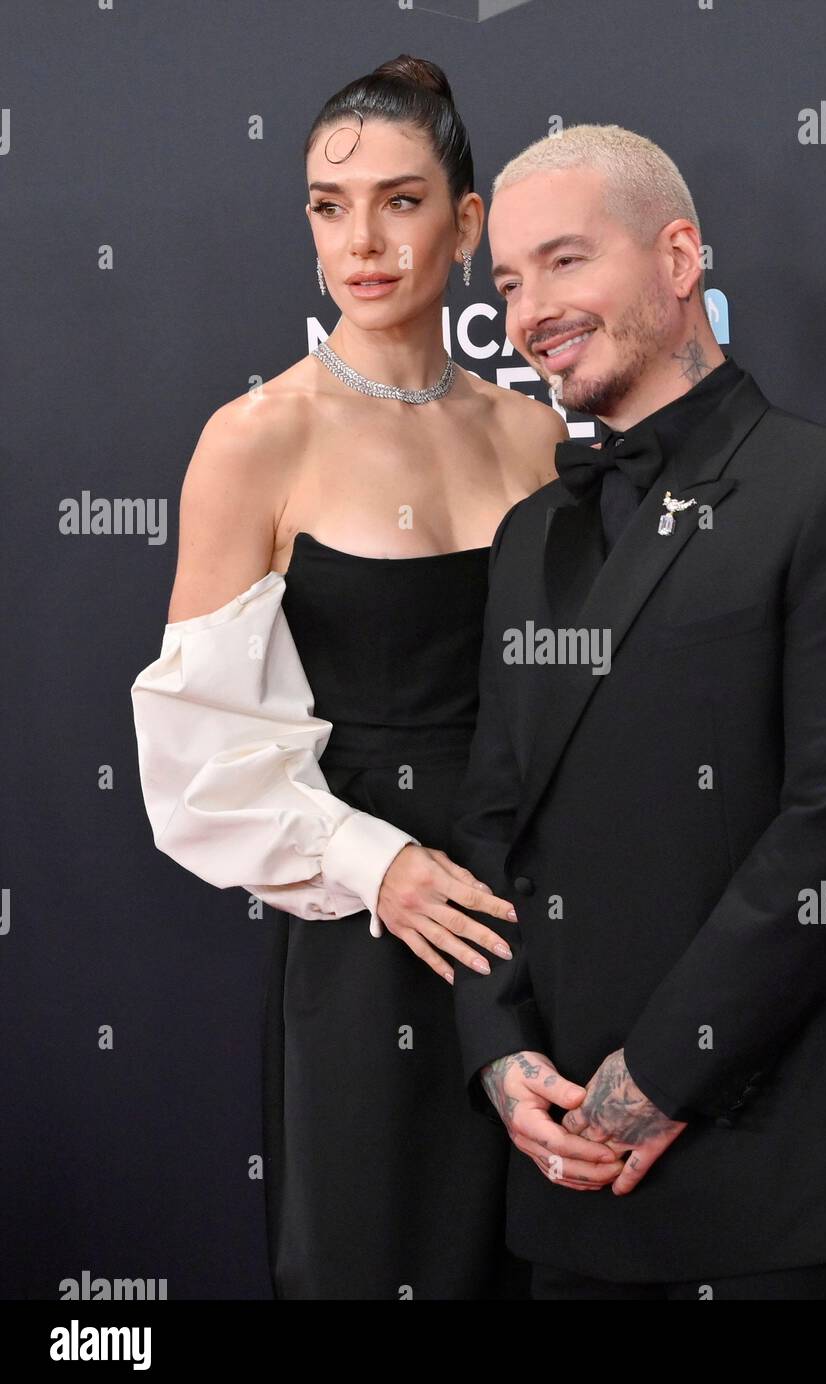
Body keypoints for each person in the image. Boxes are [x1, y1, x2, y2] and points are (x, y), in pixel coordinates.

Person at [450, 123, 826, 1299]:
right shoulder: (531, 537)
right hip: (565, 1180)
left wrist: (660, 1077)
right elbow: (490, 822)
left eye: (566, 262)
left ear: (679, 259)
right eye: (512, 282)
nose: (530, 312)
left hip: (781, 1177)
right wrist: (498, 1051)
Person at [129, 56, 570, 1299]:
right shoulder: (258, 435)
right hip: (367, 928)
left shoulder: (534, 435)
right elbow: (196, 755)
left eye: (400, 200)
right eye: (329, 206)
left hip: (531, 916)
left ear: (469, 224)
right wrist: (382, 866)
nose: (361, 241)